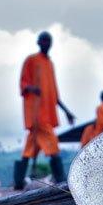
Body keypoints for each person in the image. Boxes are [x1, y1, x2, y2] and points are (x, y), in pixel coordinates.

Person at [13, 31, 75, 189]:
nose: (47, 43)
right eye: (44, 41)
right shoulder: (31, 60)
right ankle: (61, 180)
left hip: (47, 112)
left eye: (49, 41)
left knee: (29, 148)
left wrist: (66, 111)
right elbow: (23, 83)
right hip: (36, 113)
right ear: (39, 43)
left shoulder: (49, 64)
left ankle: (18, 182)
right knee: (53, 145)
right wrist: (32, 88)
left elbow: (54, 93)